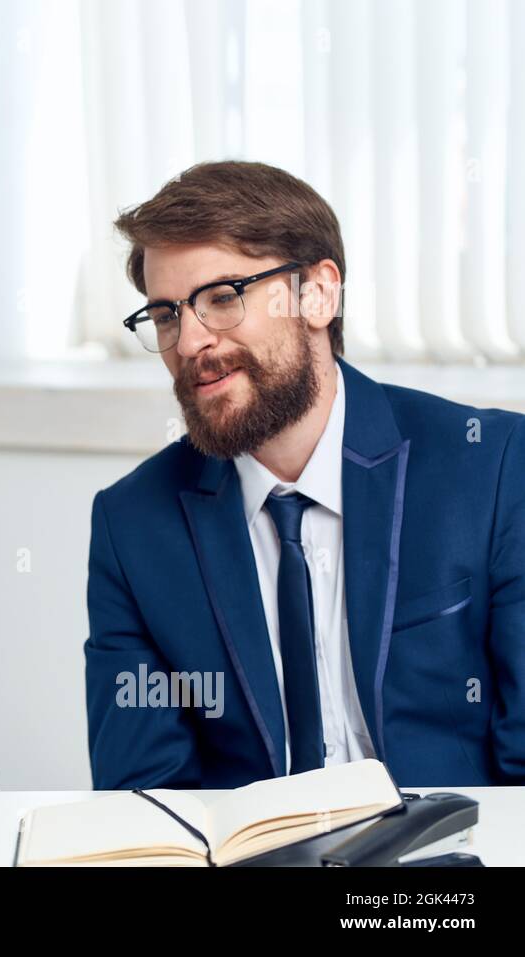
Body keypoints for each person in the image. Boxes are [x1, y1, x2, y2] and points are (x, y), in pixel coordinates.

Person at [85, 160, 525, 788]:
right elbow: (145, 794)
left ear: (318, 294)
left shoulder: (493, 466)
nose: (188, 344)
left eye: (221, 298)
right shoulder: (133, 524)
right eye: (165, 315)